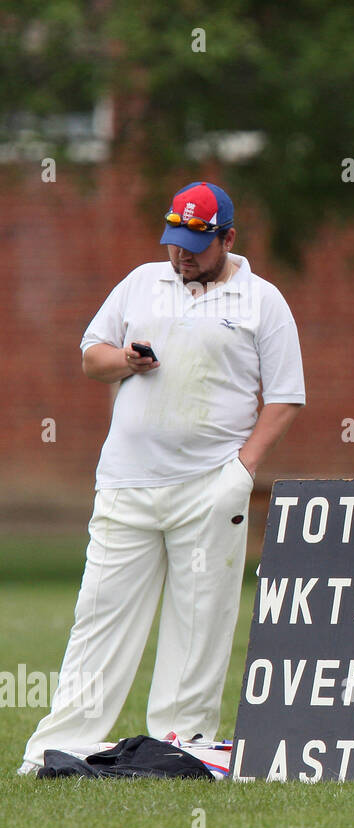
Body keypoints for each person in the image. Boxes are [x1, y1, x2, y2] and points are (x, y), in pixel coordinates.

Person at [19, 182, 305, 773]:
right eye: (176, 243)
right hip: (126, 482)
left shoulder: (263, 301)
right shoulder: (140, 282)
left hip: (211, 484)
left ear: (228, 236)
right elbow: (90, 356)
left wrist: (241, 470)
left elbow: (285, 399)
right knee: (100, 613)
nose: (183, 256)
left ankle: (182, 742)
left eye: (198, 245)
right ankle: (59, 745)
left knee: (200, 617)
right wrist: (126, 359)